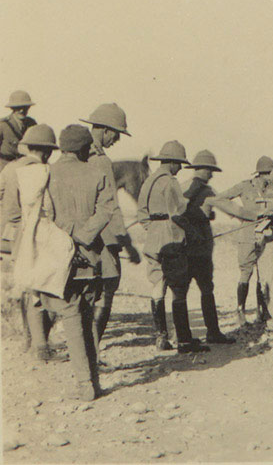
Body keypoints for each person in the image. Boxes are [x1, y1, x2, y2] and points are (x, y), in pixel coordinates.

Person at [44, 125, 115, 401]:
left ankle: (84, 385)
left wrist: (64, 236)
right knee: (86, 314)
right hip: (89, 254)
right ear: (85, 148)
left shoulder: (47, 174)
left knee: (71, 314)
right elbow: (107, 209)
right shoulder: (97, 173)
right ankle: (94, 383)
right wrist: (84, 236)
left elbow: (41, 213)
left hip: (58, 253)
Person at [80, 103, 141, 364]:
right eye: (116, 134)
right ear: (104, 130)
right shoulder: (102, 161)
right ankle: (90, 355)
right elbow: (111, 207)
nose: (116, 140)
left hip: (76, 236)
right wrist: (127, 245)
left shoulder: (74, 155)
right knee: (106, 294)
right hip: (102, 239)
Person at [137, 140, 209, 354]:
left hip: (152, 240)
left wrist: (155, 231)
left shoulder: (148, 181)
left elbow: (142, 215)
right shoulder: (170, 182)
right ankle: (185, 341)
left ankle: (161, 337)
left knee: (157, 286)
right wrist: (193, 233)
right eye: (179, 164)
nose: (180, 169)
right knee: (179, 289)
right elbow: (179, 213)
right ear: (173, 162)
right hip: (170, 238)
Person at [0, 124, 59, 360]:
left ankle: (29, 341)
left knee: (26, 288)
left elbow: (9, 208)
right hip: (37, 234)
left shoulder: (10, 169)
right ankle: (41, 345)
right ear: (46, 151)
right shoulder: (44, 171)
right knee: (43, 289)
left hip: (14, 235)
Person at [182, 150, 234, 344]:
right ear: (202, 169)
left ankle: (184, 337)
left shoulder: (183, 186)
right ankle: (212, 332)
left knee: (182, 293)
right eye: (210, 170)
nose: (211, 174)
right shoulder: (203, 189)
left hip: (186, 248)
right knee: (206, 289)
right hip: (199, 250)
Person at [216, 155, 273, 325]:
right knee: (246, 273)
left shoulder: (271, 189)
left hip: (266, 237)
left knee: (262, 275)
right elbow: (221, 199)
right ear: (262, 174)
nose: (270, 179)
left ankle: (261, 312)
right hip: (247, 235)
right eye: (269, 175)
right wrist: (239, 213)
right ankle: (240, 311)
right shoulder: (245, 187)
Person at [0, 90, 38, 171]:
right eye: (18, 108)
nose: (22, 111)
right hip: (4, 167)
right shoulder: (3, 125)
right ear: (12, 108)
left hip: (24, 167)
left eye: (25, 107)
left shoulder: (32, 124)